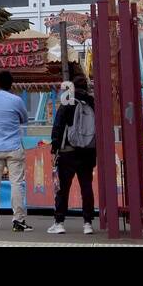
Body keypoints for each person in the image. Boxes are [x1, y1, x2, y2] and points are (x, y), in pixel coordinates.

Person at [47, 76, 97, 235]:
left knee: (62, 189)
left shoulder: (67, 102)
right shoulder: (92, 103)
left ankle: (59, 222)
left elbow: (58, 125)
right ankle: (88, 223)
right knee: (86, 187)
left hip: (67, 152)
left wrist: (54, 148)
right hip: (87, 152)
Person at [0, 70, 32, 232]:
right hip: (13, 146)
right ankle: (18, 221)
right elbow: (24, 119)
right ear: (11, 84)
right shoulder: (16, 100)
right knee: (16, 183)